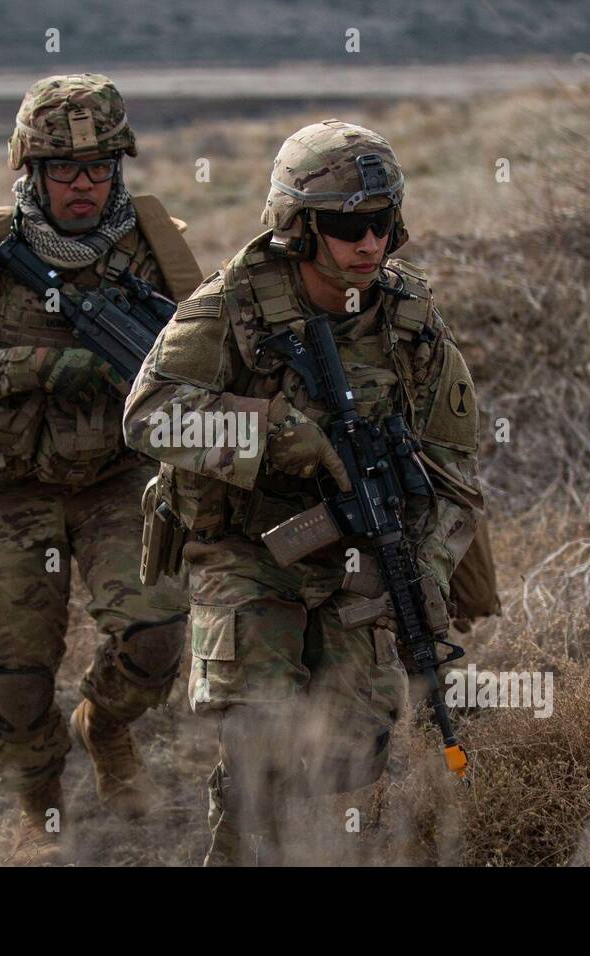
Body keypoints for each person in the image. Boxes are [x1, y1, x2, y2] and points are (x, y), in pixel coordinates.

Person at [123, 120, 484, 864]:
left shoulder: (410, 319)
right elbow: (148, 416)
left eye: (381, 224)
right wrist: (268, 433)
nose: (369, 244)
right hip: (245, 547)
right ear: (298, 226)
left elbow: (454, 466)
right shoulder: (230, 307)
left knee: (352, 750)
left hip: (358, 550)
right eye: (348, 226)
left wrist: (429, 569)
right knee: (260, 736)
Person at [0, 73, 202, 862]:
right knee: (18, 674)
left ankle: (103, 724)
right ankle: (40, 801)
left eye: (98, 166)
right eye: (63, 169)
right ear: (29, 172)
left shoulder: (155, 246)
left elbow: (206, 346)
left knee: (158, 634)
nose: (82, 184)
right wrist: (38, 366)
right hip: (13, 490)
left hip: (116, 478)